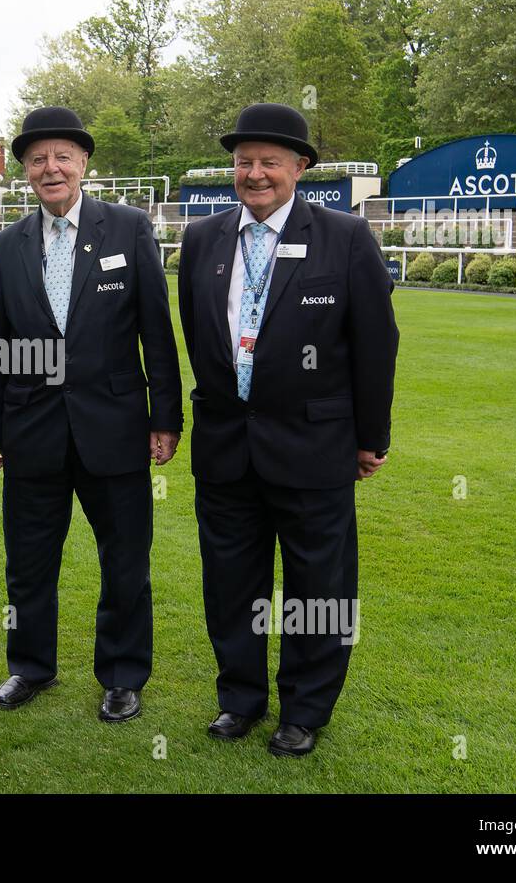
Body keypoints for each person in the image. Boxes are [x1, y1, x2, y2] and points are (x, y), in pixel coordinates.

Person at [177, 102, 399, 757]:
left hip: (315, 447)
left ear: (299, 167)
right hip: (225, 449)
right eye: (244, 161)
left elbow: (375, 345)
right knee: (230, 585)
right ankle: (238, 700)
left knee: (318, 590)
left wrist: (371, 436)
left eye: (269, 161)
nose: (254, 173)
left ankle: (305, 710)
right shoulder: (203, 238)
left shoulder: (345, 237)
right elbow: (199, 334)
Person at [0, 107, 182, 723]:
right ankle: (29, 668)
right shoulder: (7, 245)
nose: (51, 168)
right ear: (26, 171)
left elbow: (157, 331)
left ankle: (122, 675)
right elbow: (2, 347)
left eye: (63, 155)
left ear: (84, 163)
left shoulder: (127, 227)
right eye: (38, 159)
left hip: (114, 428)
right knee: (28, 562)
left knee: (125, 560)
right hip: (31, 429)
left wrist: (164, 418)